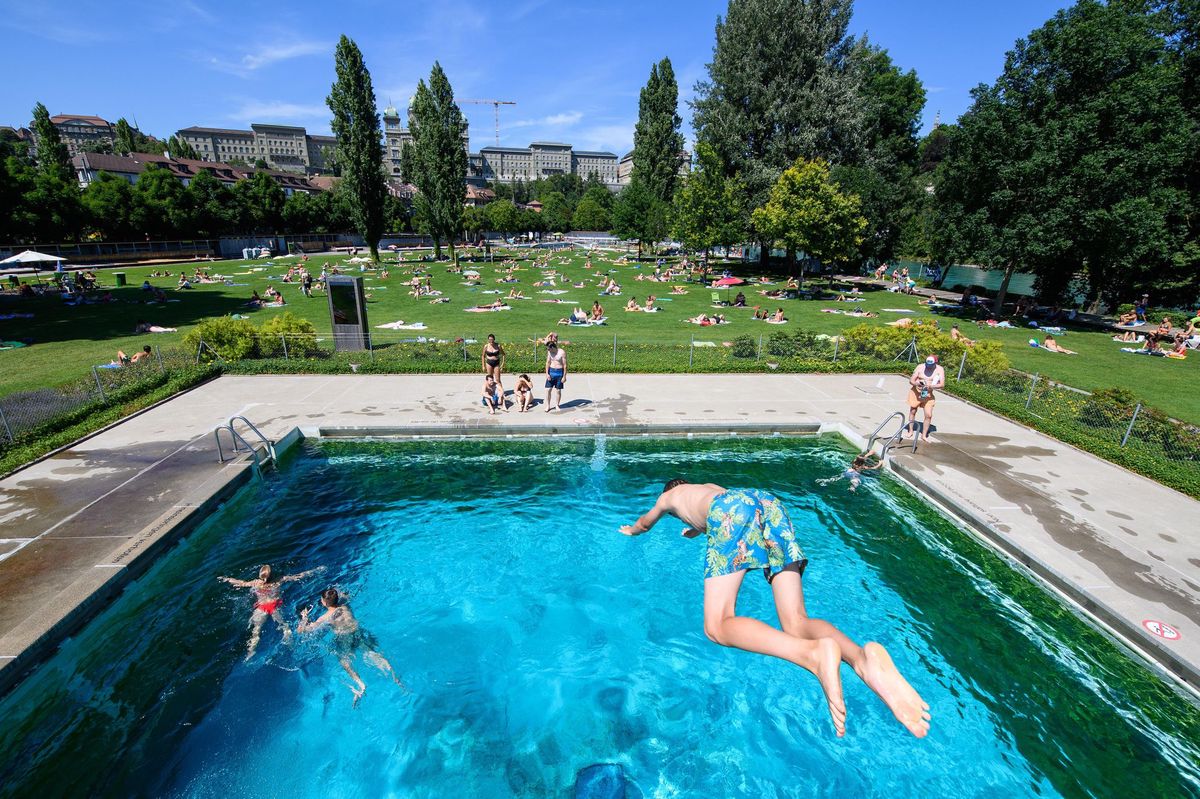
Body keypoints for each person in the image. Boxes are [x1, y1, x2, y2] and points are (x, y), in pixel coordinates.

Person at [619, 480, 930, 739]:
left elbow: (648, 521)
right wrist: (699, 527)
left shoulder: (669, 496)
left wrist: (633, 530)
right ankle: (862, 659)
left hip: (729, 512)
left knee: (717, 625)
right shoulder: (707, 489)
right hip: (768, 504)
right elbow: (736, 507)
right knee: (796, 620)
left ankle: (812, 655)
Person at [298, 588, 401, 706]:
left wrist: (304, 618)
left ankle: (361, 685)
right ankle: (393, 674)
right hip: (358, 632)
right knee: (373, 653)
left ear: (324, 602)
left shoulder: (325, 617)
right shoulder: (344, 603)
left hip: (344, 638)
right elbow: (346, 594)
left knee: (345, 662)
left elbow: (303, 631)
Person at [218, 564, 325, 660]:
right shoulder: (279, 580)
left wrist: (227, 579)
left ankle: (251, 652)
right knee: (285, 626)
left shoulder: (256, 583)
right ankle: (290, 646)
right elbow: (298, 576)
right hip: (275, 607)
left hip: (261, 608)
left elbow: (241, 583)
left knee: (256, 631)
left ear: (260, 576)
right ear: (272, 574)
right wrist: (315, 570)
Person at [907, 355, 945, 443]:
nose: (928, 367)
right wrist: (918, 383)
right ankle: (910, 430)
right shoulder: (920, 367)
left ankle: (924, 435)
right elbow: (911, 380)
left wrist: (931, 386)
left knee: (928, 415)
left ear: (935, 363)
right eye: (927, 365)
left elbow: (942, 385)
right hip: (916, 392)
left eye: (931, 365)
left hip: (928, 394)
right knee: (913, 411)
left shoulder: (940, 369)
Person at [545, 338, 567, 412]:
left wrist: (564, 376)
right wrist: (547, 374)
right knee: (548, 390)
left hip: (559, 372)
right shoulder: (549, 352)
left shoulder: (562, 352)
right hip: (551, 371)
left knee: (558, 390)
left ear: (553, 347)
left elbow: (565, 365)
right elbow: (547, 363)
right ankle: (548, 405)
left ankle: (557, 405)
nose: (548, 350)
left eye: (549, 349)